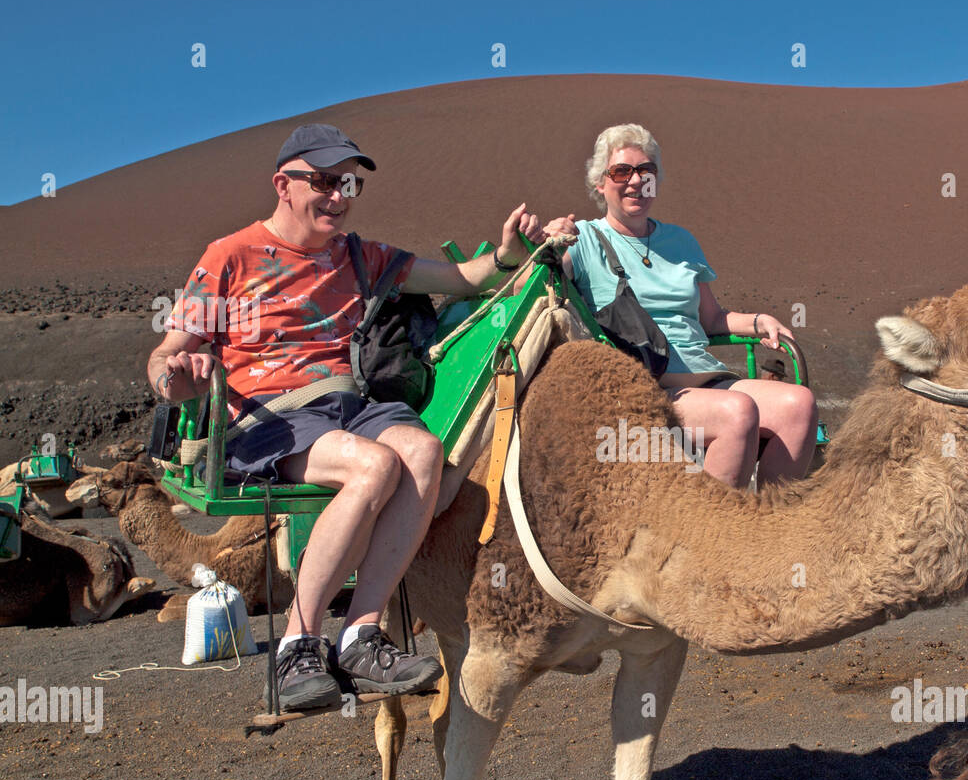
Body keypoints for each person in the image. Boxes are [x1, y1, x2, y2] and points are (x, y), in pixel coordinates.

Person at [147, 123, 544, 710]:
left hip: (349, 405)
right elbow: (165, 361)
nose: (338, 196)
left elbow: (463, 277)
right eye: (325, 182)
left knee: (423, 452)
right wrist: (179, 375)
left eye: (348, 184)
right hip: (268, 417)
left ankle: (361, 634)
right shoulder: (229, 257)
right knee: (373, 467)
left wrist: (508, 255)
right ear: (283, 184)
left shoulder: (359, 257)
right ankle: (297, 646)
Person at [544, 123, 817, 488]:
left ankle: (768, 524)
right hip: (642, 390)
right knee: (738, 413)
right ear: (600, 184)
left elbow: (713, 319)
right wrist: (546, 247)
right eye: (621, 171)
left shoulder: (681, 241)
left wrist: (758, 320)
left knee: (798, 405)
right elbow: (532, 287)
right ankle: (712, 538)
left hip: (706, 383)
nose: (636, 181)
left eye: (647, 171)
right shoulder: (584, 239)